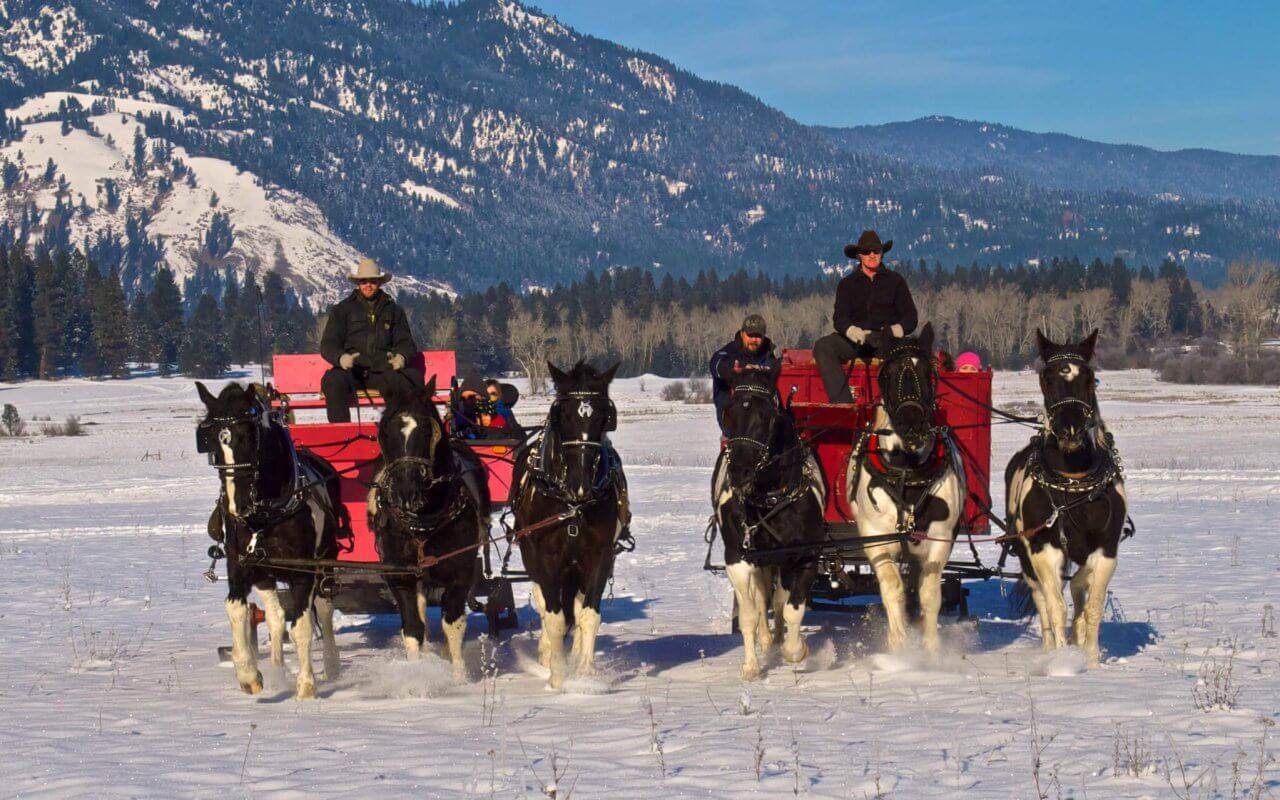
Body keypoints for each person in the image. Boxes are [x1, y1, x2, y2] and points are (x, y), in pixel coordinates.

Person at [812, 230, 918, 404]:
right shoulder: (847, 284)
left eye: (876, 251)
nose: (872, 255)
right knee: (823, 346)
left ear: (882, 254)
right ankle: (844, 404)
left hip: (887, 341)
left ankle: (905, 408)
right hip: (857, 341)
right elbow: (840, 318)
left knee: (914, 354)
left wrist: (893, 331)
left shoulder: (896, 281)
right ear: (859, 255)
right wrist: (853, 332)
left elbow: (911, 317)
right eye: (867, 251)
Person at [319, 258, 422, 423]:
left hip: (383, 371)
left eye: (373, 281)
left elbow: (406, 343)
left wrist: (401, 357)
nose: (368, 285)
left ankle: (398, 435)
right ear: (358, 283)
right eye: (364, 281)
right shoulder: (342, 310)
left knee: (406, 381)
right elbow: (328, 344)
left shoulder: (394, 311)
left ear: (379, 283)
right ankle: (342, 435)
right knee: (332, 381)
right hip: (352, 372)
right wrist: (341, 358)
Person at [709, 313, 781, 432]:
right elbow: (716, 365)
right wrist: (733, 370)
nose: (754, 340)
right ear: (742, 334)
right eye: (750, 335)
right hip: (734, 421)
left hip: (763, 422)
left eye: (758, 336)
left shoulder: (768, 356)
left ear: (763, 337)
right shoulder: (728, 352)